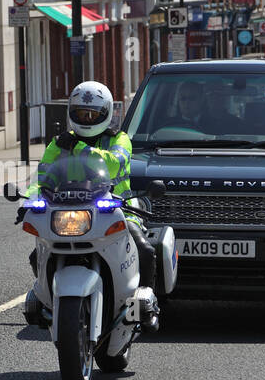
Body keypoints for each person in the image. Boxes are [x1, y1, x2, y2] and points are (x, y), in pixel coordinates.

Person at [20, 81, 158, 329]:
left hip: (119, 206)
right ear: (71, 112)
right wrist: (30, 199)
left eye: (93, 114)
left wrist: (80, 147)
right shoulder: (60, 143)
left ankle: (143, 305)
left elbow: (114, 164)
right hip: (67, 208)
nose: (87, 118)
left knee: (143, 248)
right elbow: (43, 176)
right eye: (81, 113)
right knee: (36, 253)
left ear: (105, 113)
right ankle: (46, 301)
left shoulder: (120, 139)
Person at [166, 80, 243, 134]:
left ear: (201, 100)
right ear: (178, 101)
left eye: (192, 98)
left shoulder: (215, 125)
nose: (187, 102)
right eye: (183, 98)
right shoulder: (168, 126)